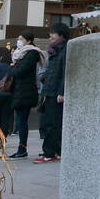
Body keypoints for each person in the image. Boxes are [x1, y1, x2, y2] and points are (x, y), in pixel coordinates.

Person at [34, 24, 70, 163]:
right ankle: (56, 150)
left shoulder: (64, 50)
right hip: (50, 91)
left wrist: (62, 92)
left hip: (56, 93)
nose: (51, 36)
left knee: (52, 124)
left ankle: (49, 152)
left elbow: (65, 72)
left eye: (53, 33)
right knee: (52, 123)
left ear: (61, 35)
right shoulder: (54, 50)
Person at [8, 31, 44, 158]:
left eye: (21, 39)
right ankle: (21, 148)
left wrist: (12, 67)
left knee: (21, 121)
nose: (19, 41)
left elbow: (19, 72)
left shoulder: (31, 54)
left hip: (25, 93)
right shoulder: (22, 53)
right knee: (20, 121)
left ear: (28, 41)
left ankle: (22, 149)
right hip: (21, 92)